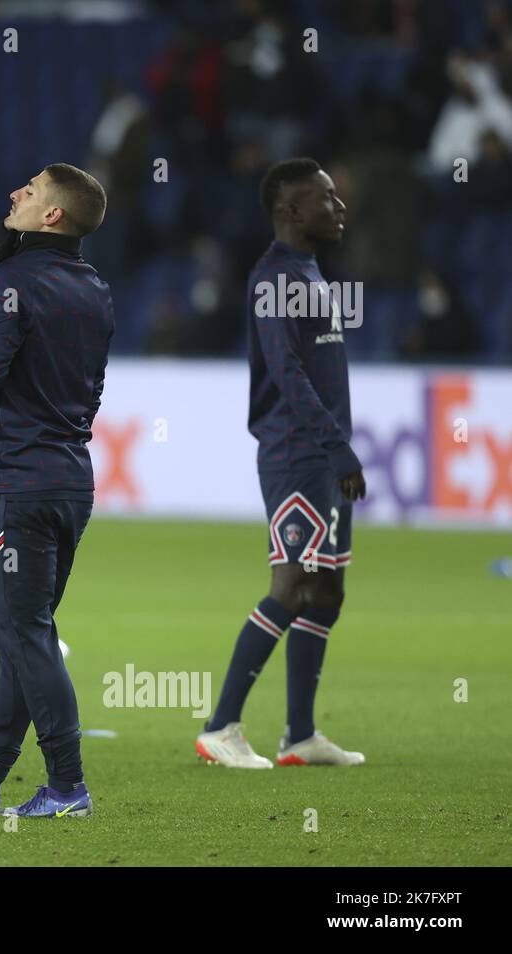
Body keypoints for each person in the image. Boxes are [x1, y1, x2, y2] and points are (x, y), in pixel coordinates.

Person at [0, 164, 115, 818]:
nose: (14, 192)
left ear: (52, 216)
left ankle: (68, 787)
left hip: (17, 484)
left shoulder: (10, 280)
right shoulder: (95, 286)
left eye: (31, 190)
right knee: (22, 632)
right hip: (72, 480)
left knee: (23, 632)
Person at [195, 157, 366, 769]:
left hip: (321, 454)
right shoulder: (274, 279)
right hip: (297, 453)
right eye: (325, 197)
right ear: (291, 210)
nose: (338, 204)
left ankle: (299, 734)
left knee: (327, 590)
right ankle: (220, 726)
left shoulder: (310, 271)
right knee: (292, 585)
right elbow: (287, 373)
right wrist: (336, 445)